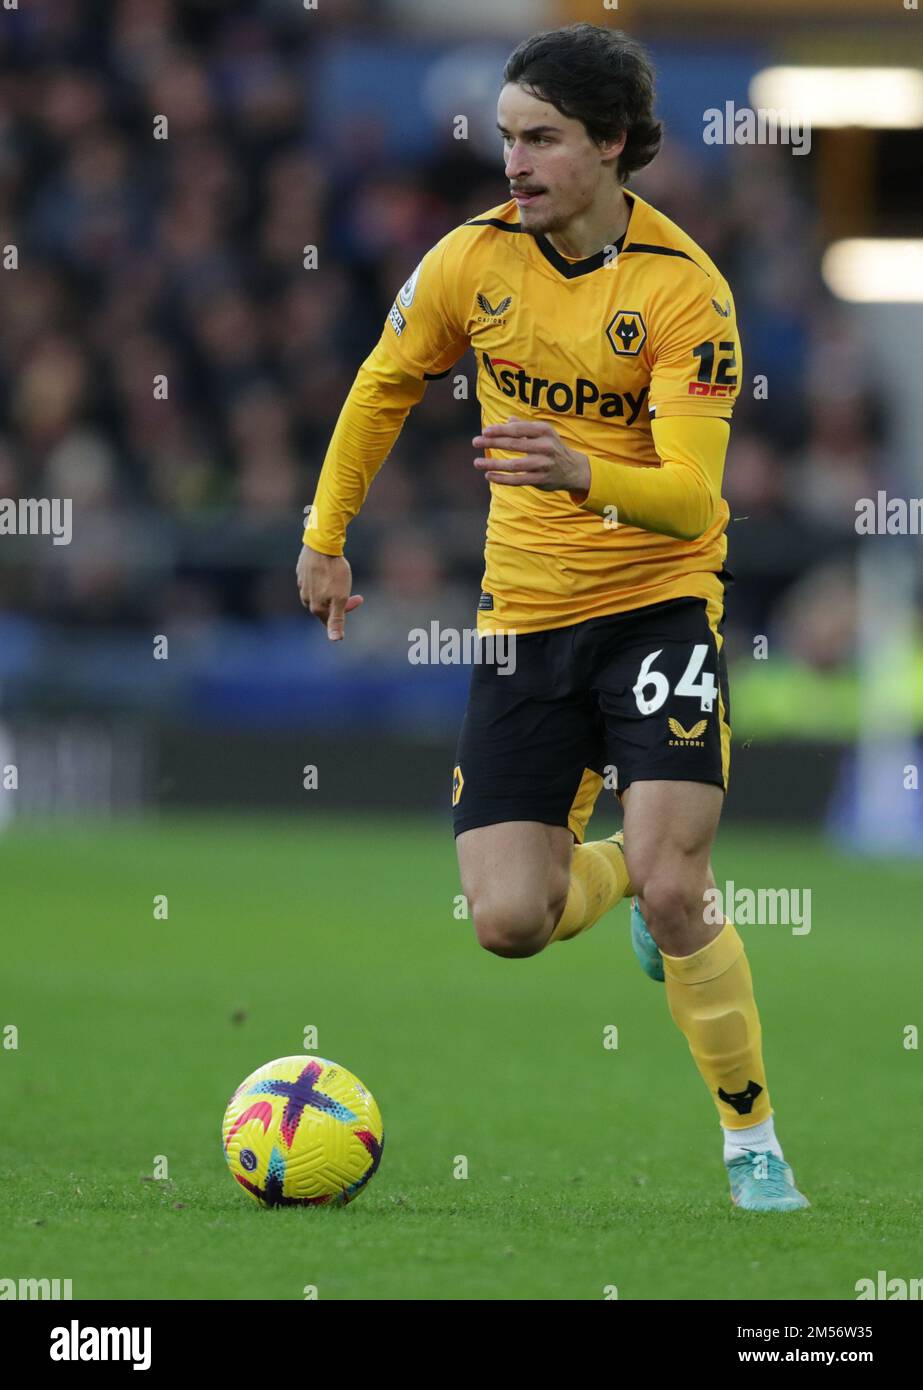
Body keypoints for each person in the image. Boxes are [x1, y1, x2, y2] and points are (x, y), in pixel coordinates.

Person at [297, 23, 808, 1212]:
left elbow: (689, 498)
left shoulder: (684, 294)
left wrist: (580, 471)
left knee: (686, 891)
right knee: (509, 922)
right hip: (525, 618)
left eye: (540, 140)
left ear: (611, 147)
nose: (513, 162)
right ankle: (627, 869)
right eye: (506, 137)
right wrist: (324, 538)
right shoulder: (470, 263)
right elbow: (381, 387)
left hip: (657, 606)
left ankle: (750, 1143)